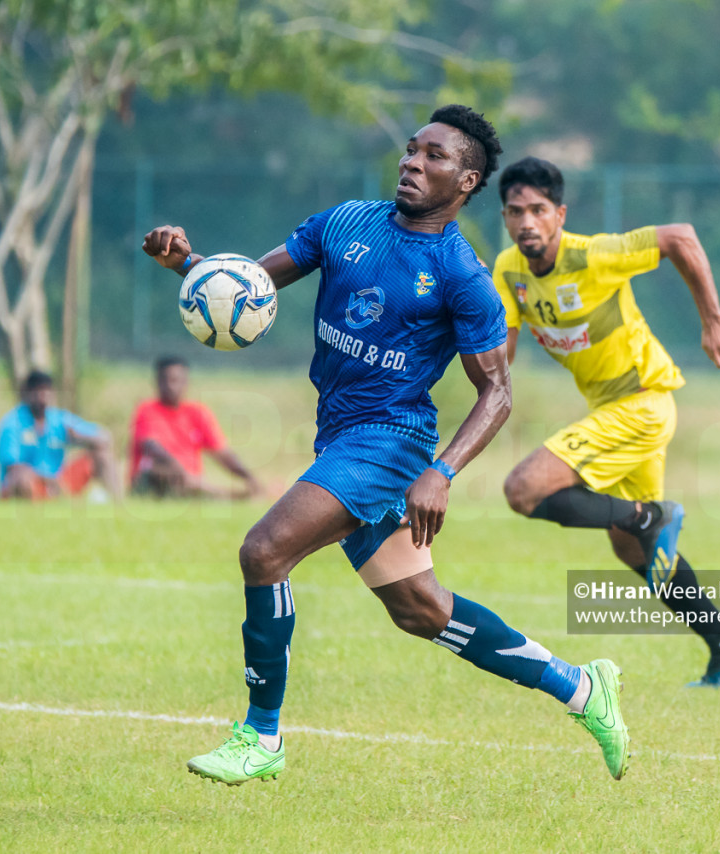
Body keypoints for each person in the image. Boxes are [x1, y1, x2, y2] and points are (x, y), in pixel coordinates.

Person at [142, 105, 630, 784]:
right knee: (420, 609)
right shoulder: (346, 223)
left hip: (391, 442)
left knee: (264, 551)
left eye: (433, 157)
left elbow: (498, 392)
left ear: (465, 182)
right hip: (340, 435)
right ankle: (582, 687)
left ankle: (261, 736)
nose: (412, 163)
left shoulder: (462, 274)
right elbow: (249, 287)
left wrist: (442, 472)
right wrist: (188, 265)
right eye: (410, 150)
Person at [493, 156, 720, 687]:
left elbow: (680, 237)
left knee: (524, 489)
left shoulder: (594, 255)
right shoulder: (509, 271)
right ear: (504, 217)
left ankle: (649, 516)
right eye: (515, 211)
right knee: (628, 545)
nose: (527, 222)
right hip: (611, 412)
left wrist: (713, 319)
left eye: (538, 210)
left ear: (560, 214)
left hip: (642, 402)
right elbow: (503, 355)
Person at [129, 356, 264, 499]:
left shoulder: (198, 412)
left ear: (186, 382)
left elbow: (222, 453)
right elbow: (151, 446)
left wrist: (249, 477)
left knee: (183, 480)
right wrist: (181, 472)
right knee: (161, 470)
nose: (170, 386)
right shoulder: (147, 409)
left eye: (175, 381)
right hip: (156, 479)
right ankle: (223, 495)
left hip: (190, 481)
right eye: (165, 381)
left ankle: (217, 493)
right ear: (157, 382)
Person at [0, 370, 121, 501]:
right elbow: (13, 467)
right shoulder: (13, 423)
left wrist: (82, 438)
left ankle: (118, 502)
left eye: (46, 391)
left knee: (102, 454)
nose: (42, 396)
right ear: (26, 394)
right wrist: (48, 480)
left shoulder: (59, 420)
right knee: (21, 478)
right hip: (32, 483)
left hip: (59, 483)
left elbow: (105, 437)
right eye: (37, 391)